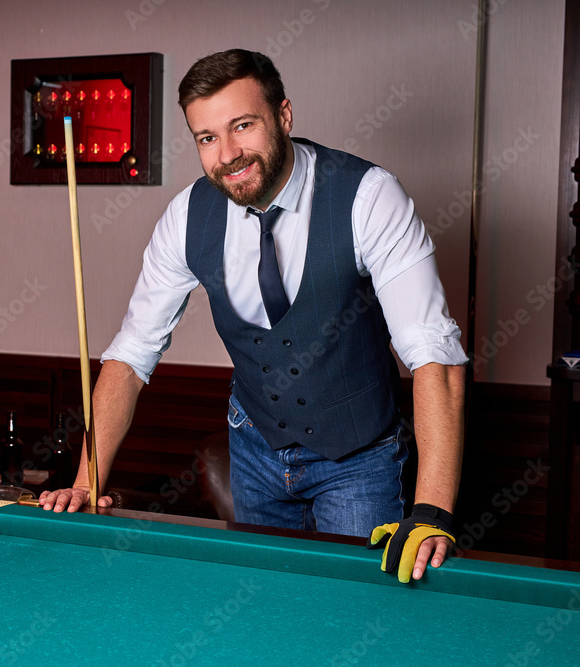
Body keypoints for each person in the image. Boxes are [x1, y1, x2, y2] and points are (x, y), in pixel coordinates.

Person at [38, 49, 468, 583]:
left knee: (358, 617)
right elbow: (130, 356)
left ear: (283, 116)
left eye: (243, 125)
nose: (228, 154)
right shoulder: (186, 217)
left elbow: (435, 354)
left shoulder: (369, 196)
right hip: (255, 451)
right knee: (263, 604)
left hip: (358, 456)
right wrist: (86, 480)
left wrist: (431, 511)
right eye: (207, 137)